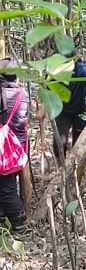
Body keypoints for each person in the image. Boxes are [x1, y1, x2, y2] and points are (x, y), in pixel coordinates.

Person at [46, 47, 86, 153]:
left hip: (82, 111)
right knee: (59, 144)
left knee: (78, 145)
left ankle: (77, 163)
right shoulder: (52, 72)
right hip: (63, 110)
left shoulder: (80, 69)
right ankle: (61, 163)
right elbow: (48, 91)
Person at [0, 59, 29, 234]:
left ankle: (20, 222)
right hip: (18, 147)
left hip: (4, 149)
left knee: (6, 188)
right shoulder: (21, 93)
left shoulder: (2, 94)